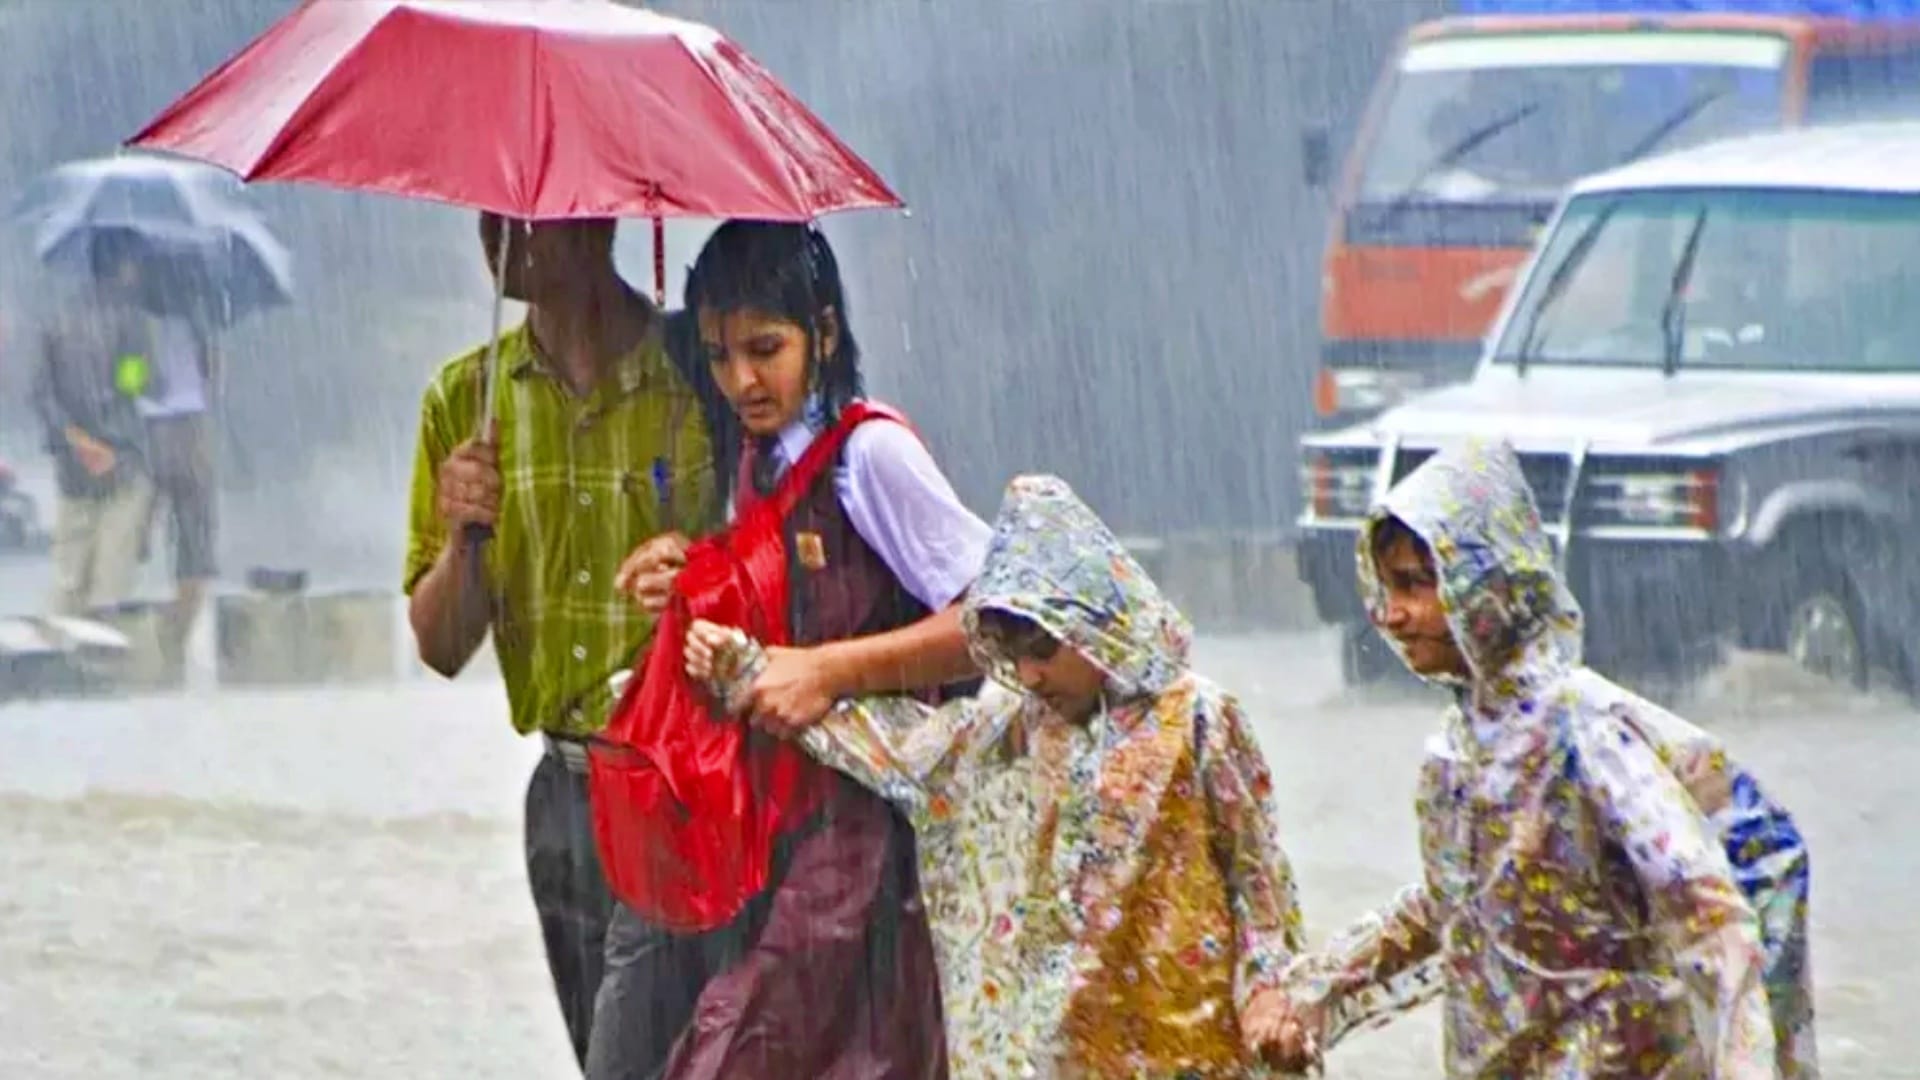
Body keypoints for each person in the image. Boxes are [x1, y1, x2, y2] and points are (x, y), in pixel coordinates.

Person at [688, 473, 1308, 1078]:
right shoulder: (1010, 732)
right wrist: (747, 670)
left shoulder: (1199, 718)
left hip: (1190, 1051)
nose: (1031, 675)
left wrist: (1273, 995)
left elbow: (1259, 882)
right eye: (1012, 655)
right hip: (1057, 1057)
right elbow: (893, 746)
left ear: (1093, 622)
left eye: (1044, 650)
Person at [1270, 439, 1813, 1078]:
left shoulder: (1584, 732)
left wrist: (1745, 1064)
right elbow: (1457, 904)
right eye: (1385, 587)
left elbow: (1708, 912)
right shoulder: (1461, 745)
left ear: (1487, 586)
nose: (1391, 615)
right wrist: (1314, 984)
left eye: (1418, 584)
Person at [586, 220, 988, 1079]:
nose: (741, 380)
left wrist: (829, 671)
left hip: (863, 841)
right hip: (769, 821)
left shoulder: (872, 457)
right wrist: (694, 577)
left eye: (765, 348)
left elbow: (996, 625)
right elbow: (776, 610)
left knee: (754, 1050)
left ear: (828, 333)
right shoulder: (759, 457)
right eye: (720, 354)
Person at [403, 212, 722, 1068]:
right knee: (607, 1055)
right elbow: (440, 645)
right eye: (485, 214)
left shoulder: (699, 375)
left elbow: (768, 561)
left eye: (519, 219)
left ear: (591, 223)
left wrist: (698, 575)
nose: (491, 235)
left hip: (680, 784)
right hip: (564, 799)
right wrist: (465, 534)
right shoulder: (464, 401)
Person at [33, 234, 157, 616]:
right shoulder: (132, 321)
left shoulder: (56, 320)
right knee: (110, 575)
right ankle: (100, 647)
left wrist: (75, 440)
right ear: (123, 269)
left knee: (68, 572)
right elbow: (133, 387)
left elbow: (41, 395)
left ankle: (55, 657)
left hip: (72, 465)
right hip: (119, 461)